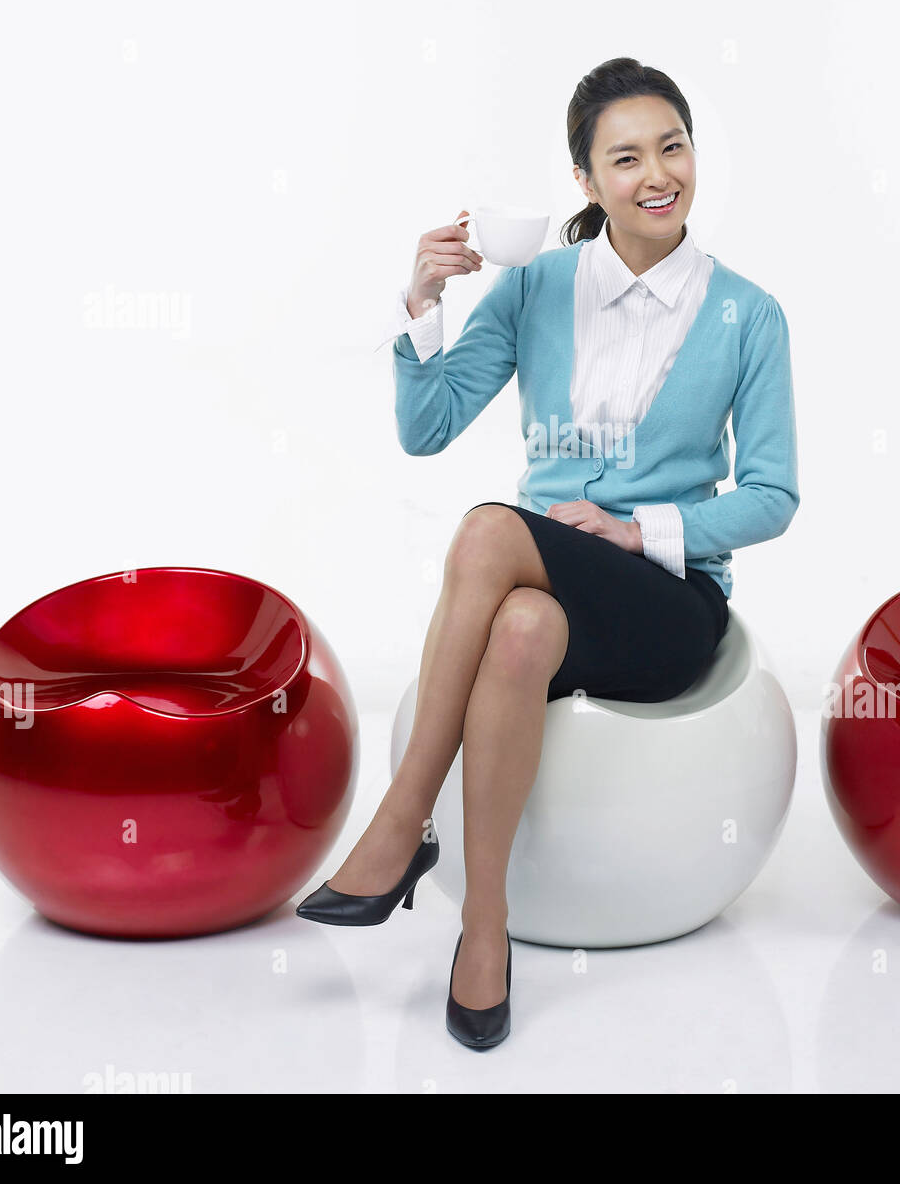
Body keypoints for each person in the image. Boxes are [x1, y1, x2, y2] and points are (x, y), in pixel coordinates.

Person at [297, 56, 799, 1051]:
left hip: (668, 600)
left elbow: (772, 495)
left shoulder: (749, 314)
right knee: (519, 625)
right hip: (548, 592)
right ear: (585, 180)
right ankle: (486, 927)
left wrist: (636, 531)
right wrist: (423, 301)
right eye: (625, 157)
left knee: (489, 529)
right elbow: (428, 428)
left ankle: (399, 826)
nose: (656, 172)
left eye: (671, 146)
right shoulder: (537, 289)